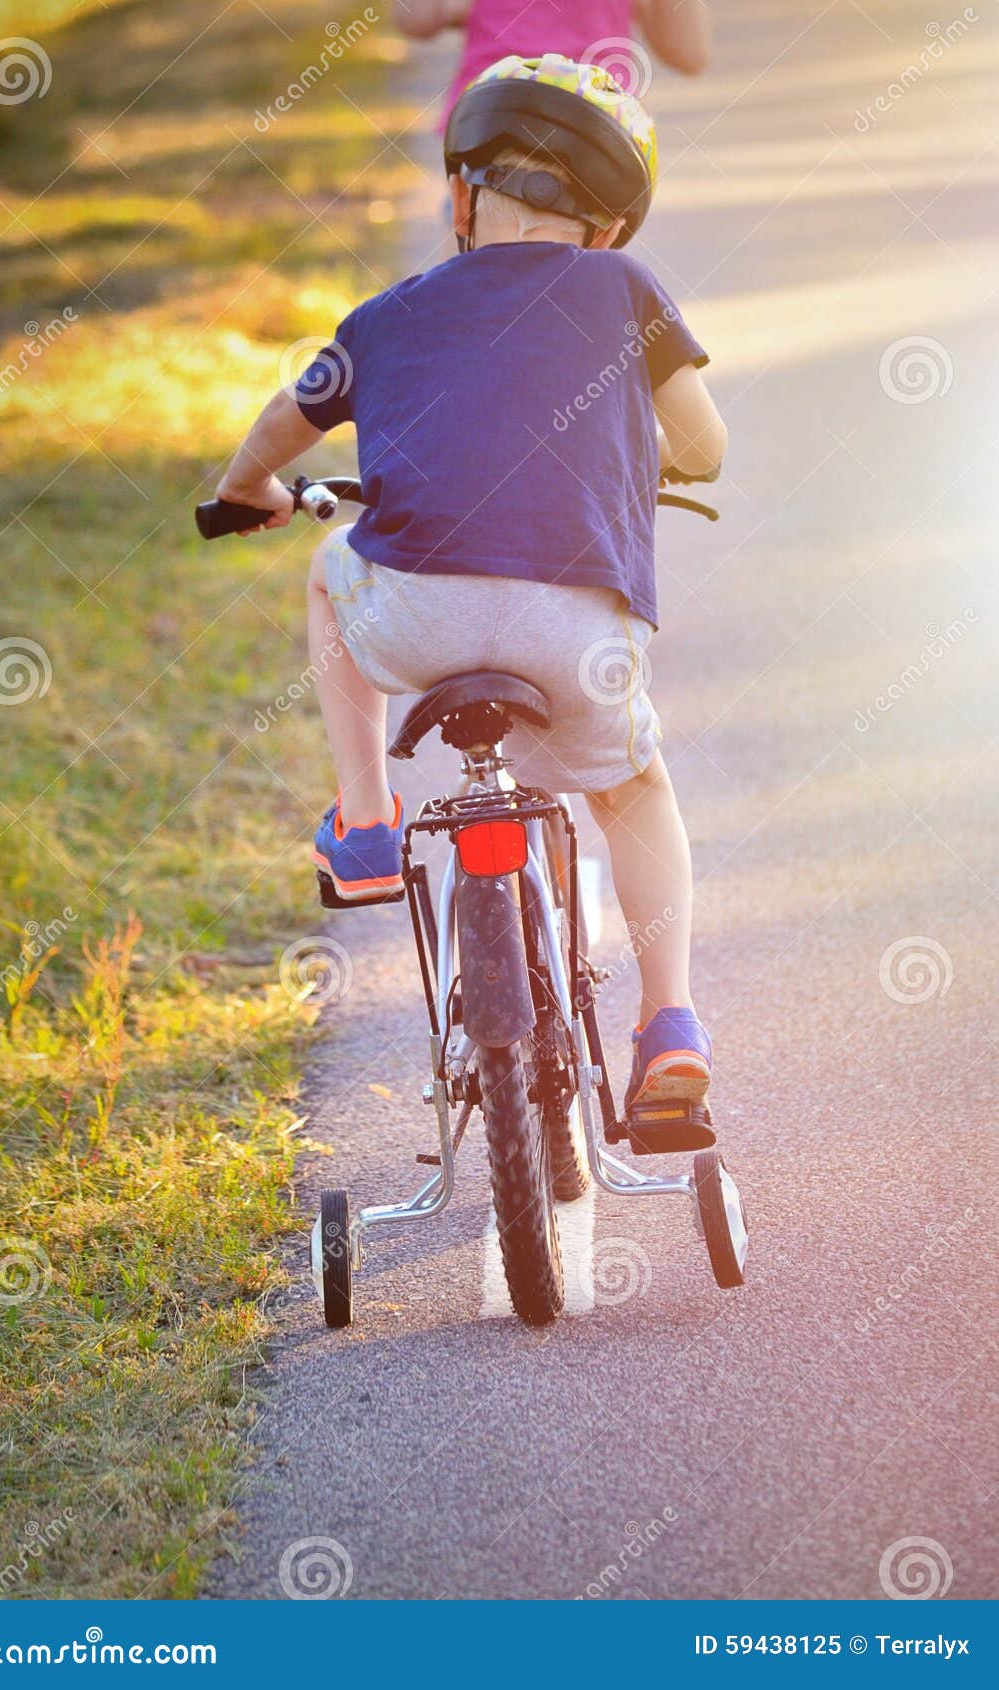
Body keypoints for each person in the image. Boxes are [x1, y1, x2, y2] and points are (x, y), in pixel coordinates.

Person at [214, 56, 727, 1146]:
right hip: (574, 636)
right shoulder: (623, 292)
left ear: (460, 199)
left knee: (328, 565)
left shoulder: (384, 315)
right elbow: (705, 447)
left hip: (415, 617)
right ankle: (667, 1024)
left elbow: (281, 421)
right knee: (633, 791)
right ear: (601, 234)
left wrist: (246, 488)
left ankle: (362, 822)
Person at [394, 0, 711, 117]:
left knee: (469, 256)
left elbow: (416, 20)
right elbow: (688, 53)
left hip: (492, 107)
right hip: (595, 113)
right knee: (594, 255)